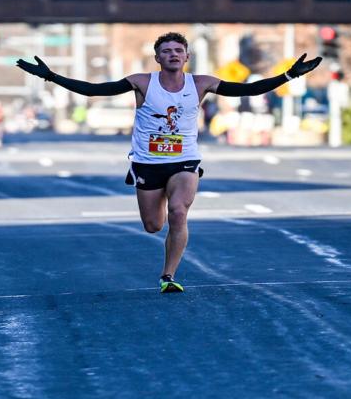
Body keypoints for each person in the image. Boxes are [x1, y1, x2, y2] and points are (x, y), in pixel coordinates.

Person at [17, 32, 321, 293]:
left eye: (178, 50)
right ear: (157, 58)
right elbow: (95, 90)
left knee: (178, 212)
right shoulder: (141, 82)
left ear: (186, 56)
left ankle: (168, 276)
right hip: (148, 163)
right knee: (153, 225)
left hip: (185, 160)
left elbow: (247, 89)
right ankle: (158, 213)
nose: (173, 54)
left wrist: (289, 76)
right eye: (166, 51)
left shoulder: (201, 83)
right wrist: (50, 76)